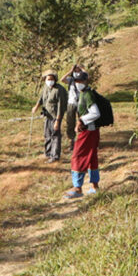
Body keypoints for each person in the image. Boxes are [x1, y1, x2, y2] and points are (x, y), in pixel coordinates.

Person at [63, 69, 103, 198]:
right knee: (91, 157)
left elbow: (95, 113)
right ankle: (95, 186)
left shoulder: (87, 95)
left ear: (86, 81)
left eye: (81, 81)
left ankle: (78, 188)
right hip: (93, 130)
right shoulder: (84, 93)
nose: (78, 83)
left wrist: (81, 120)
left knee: (78, 156)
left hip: (87, 131)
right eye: (76, 81)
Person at [31, 69, 68, 162]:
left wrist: (58, 121)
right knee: (47, 135)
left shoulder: (59, 90)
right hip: (47, 116)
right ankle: (48, 153)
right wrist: (36, 106)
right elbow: (41, 98)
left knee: (55, 136)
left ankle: (55, 156)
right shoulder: (46, 88)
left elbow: (61, 106)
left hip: (55, 117)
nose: (49, 81)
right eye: (48, 79)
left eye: (51, 79)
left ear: (55, 79)